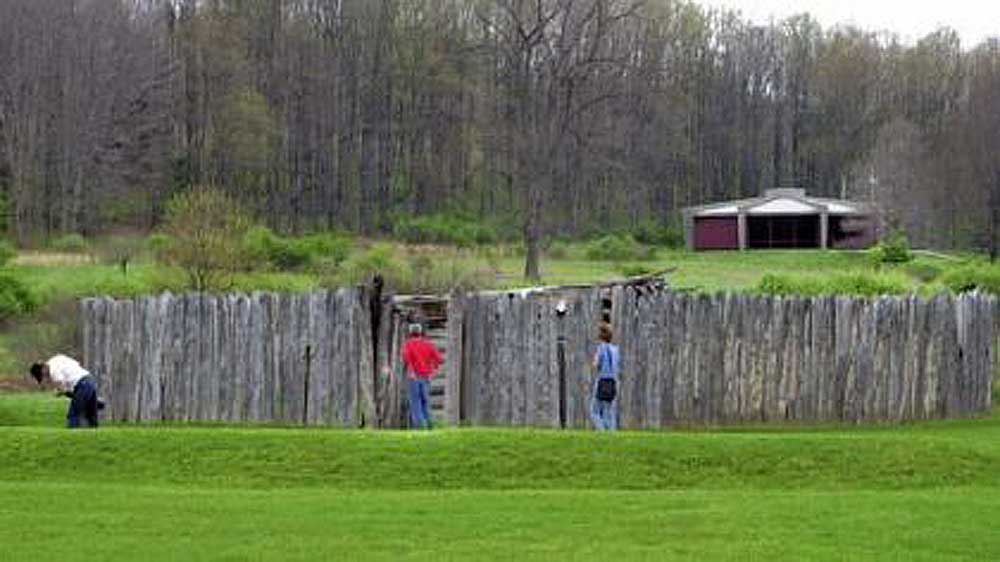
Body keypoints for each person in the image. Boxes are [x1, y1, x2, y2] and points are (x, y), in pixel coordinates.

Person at [29, 355, 102, 429]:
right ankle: (94, 432)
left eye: (42, 375)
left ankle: (72, 432)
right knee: (91, 415)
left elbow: (62, 388)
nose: (45, 377)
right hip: (89, 379)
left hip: (82, 384)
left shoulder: (53, 371)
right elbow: (76, 364)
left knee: (73, 414)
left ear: (43, 369)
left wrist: (60, 392)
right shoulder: (55, 359)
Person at [401, 323, 443, 429]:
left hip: (414, 377)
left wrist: (411, 371)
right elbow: (439, 359)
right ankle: (429, 423)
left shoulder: (408, 344)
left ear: (410, 332)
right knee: (425, 400)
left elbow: (406, 359)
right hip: (426, 377)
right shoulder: (428, 344)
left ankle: (419, 425)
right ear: (420, 332)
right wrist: (433, 370)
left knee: (415, 401)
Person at [590, 323, 620, 431]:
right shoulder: (615, 349)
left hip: (602, 380)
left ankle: (602, 431)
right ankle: (611, 432)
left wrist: (593, 364)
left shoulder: (601, 348)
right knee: (609, 411)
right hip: (613, 381)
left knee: (594, 410)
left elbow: (596, 364)